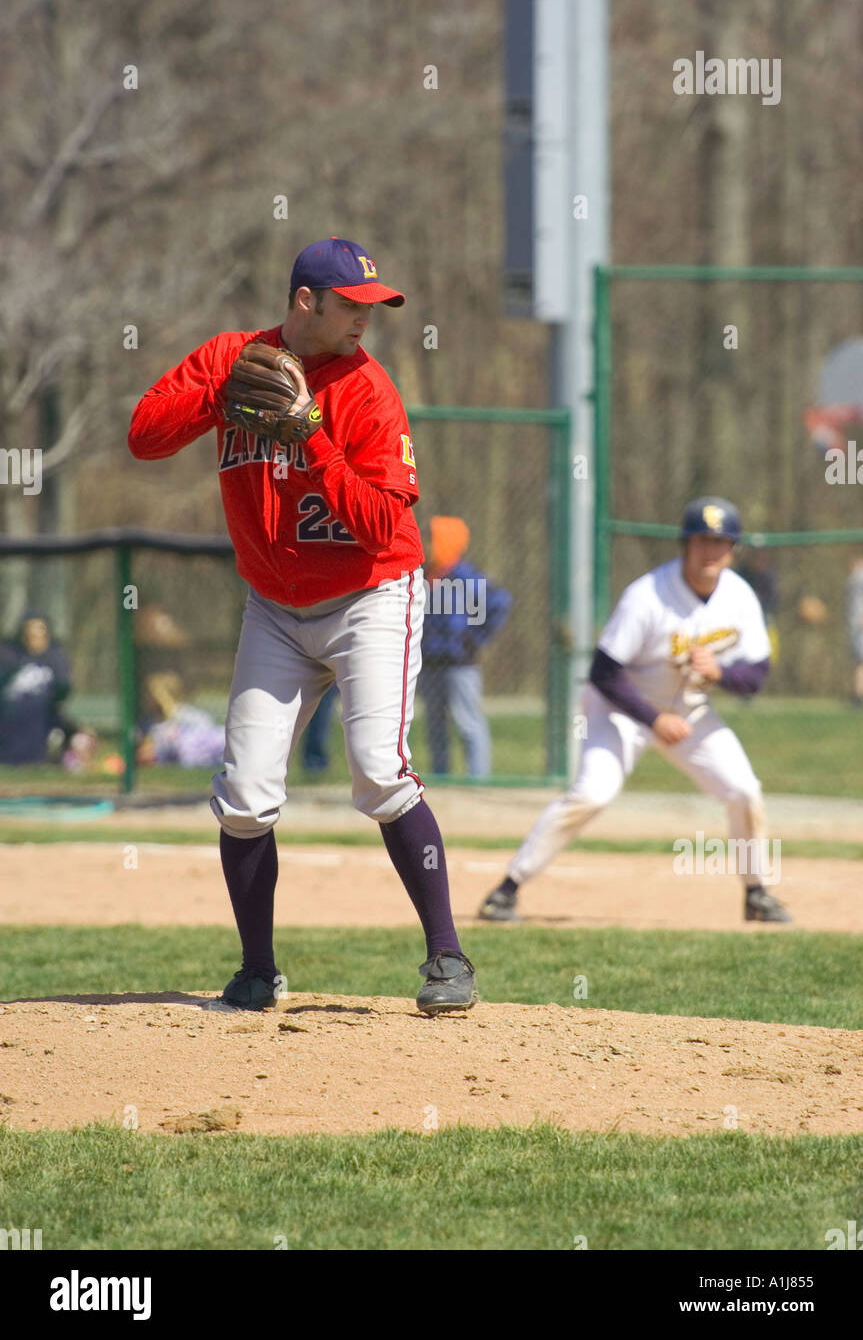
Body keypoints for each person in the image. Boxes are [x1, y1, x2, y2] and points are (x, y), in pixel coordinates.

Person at [129, 237, 477, 1014]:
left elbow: (384, 524)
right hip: (273, 609)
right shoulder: (234, 358)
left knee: (378, 775)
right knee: (245, 796)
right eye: (350, 305)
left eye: (373, 306)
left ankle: (448, 960)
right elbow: (144, 435)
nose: (365, 319)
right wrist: (220, 396)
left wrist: (309, 436)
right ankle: (258, 971)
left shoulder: (368, 391)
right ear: (304, 302)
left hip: (370, 598)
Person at [478, 497, 792, 926]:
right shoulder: (648, 595)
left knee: (744, 790)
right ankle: (506, 891)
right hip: (620, 711)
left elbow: (756, 674)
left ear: (733, 549)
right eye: (701, 540)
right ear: (685, 544)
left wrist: (719, 672)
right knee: (592, 795)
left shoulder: (739, 597)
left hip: (689, 714)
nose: (710, 551)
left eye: (720, 541)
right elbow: (604, 672)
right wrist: (654, 719)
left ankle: (757, 894)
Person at [420, 516, 512, 776]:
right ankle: (441, 776)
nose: (426, 545)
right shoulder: (426, 576)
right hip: (429, 661)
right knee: (435, 726)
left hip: (460, 663)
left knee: (467, 722)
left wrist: (474, 639)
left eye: (432, 540)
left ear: (447, 543)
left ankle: (478, 778)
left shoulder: (464, 576)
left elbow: (499, 602)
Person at [0, 613, 71, 764]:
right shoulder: (9, 655)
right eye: (30, 633)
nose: (35, 637)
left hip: (44, 718)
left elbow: (62, 690)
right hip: (10, 717)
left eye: (40, 632)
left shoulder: (55, 657)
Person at [137, 672, 225, 769]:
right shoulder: (150, 721)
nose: (148, 699)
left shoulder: (185, 714)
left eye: (152, 696)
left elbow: (208, 735)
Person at [846, 554, 863, 706]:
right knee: (860, 661)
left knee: (861, 662)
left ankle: (858, 696)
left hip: (859, 624)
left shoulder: (859, 576)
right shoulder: (857, 577)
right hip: (858, 625)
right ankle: (858, 696)